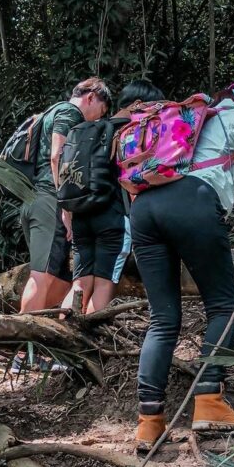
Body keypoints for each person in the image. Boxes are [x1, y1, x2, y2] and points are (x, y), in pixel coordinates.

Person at [130, 87, 234, 450]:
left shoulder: (183, 122)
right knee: (223, 305)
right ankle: (209, 400)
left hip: (143, 209)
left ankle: (149, 422)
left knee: (162, 319)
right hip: (193, 201)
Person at [60, 80, 164, 315]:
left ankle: (60, 338)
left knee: (80, 283)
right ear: (139, 104)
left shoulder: (94, 129)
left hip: (81, 215)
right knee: (105, 282)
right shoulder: (133, 131)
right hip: (112, 219)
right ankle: (88, 347)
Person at [18, 77, 112, 314]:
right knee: (41, 277)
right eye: (100, 111)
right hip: (50, 200)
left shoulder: (49, 113)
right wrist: (66, 207)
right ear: (91, 97)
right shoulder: (70, 113)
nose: (98, 119)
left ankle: (42, 330)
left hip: (35, 199)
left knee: (60, 280)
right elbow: (57, 155)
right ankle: (22, 343)